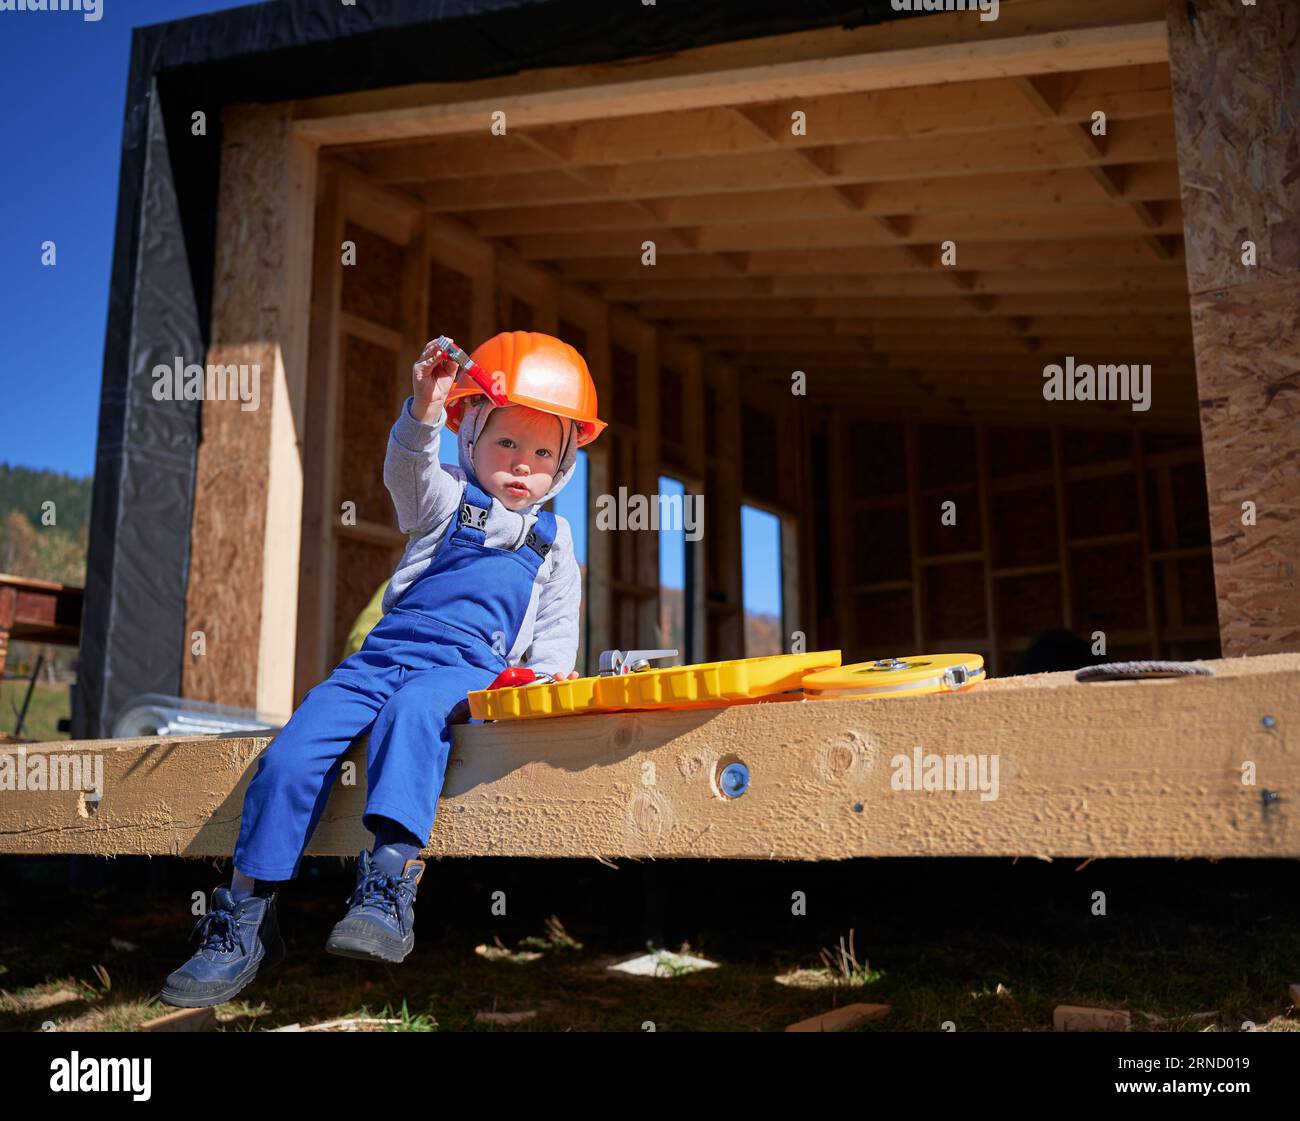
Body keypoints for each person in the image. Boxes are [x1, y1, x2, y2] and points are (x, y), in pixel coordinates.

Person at [159, 330, 606, 1007]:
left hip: (466, 668)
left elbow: (554, 634)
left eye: (543, 452)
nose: (522, 464)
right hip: (380, 658)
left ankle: (388, 884)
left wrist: (542, 679)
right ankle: (244, 917)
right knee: (292, 752)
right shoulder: (444, 497)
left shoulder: (554, 540)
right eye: (506, 443)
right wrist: (425, 407)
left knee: (415, 712)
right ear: (472, 437)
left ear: (564, 465)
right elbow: (407, 471)